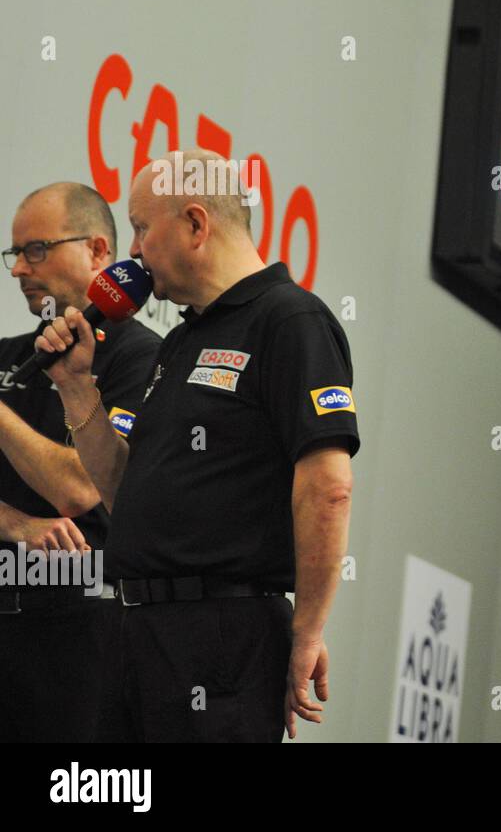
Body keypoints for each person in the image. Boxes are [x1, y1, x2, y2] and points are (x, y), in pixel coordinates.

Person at [38, 149, 359, 742]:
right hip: (136, 630)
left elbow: (329, 487)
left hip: (221, 635)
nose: (132, 250)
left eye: (139, 226)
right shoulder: (182, 339)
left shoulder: (291, 321)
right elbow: (125, 493)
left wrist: (308, 633)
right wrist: (76, 387)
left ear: (194, 223)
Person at [0, 182, 161, 741]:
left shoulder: (145, 360)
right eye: (14, 254)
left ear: (97, 251)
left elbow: (79, 488)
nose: (19, 268)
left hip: (76, 634)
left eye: (36, 249)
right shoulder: (5, 356)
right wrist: (13, 522)